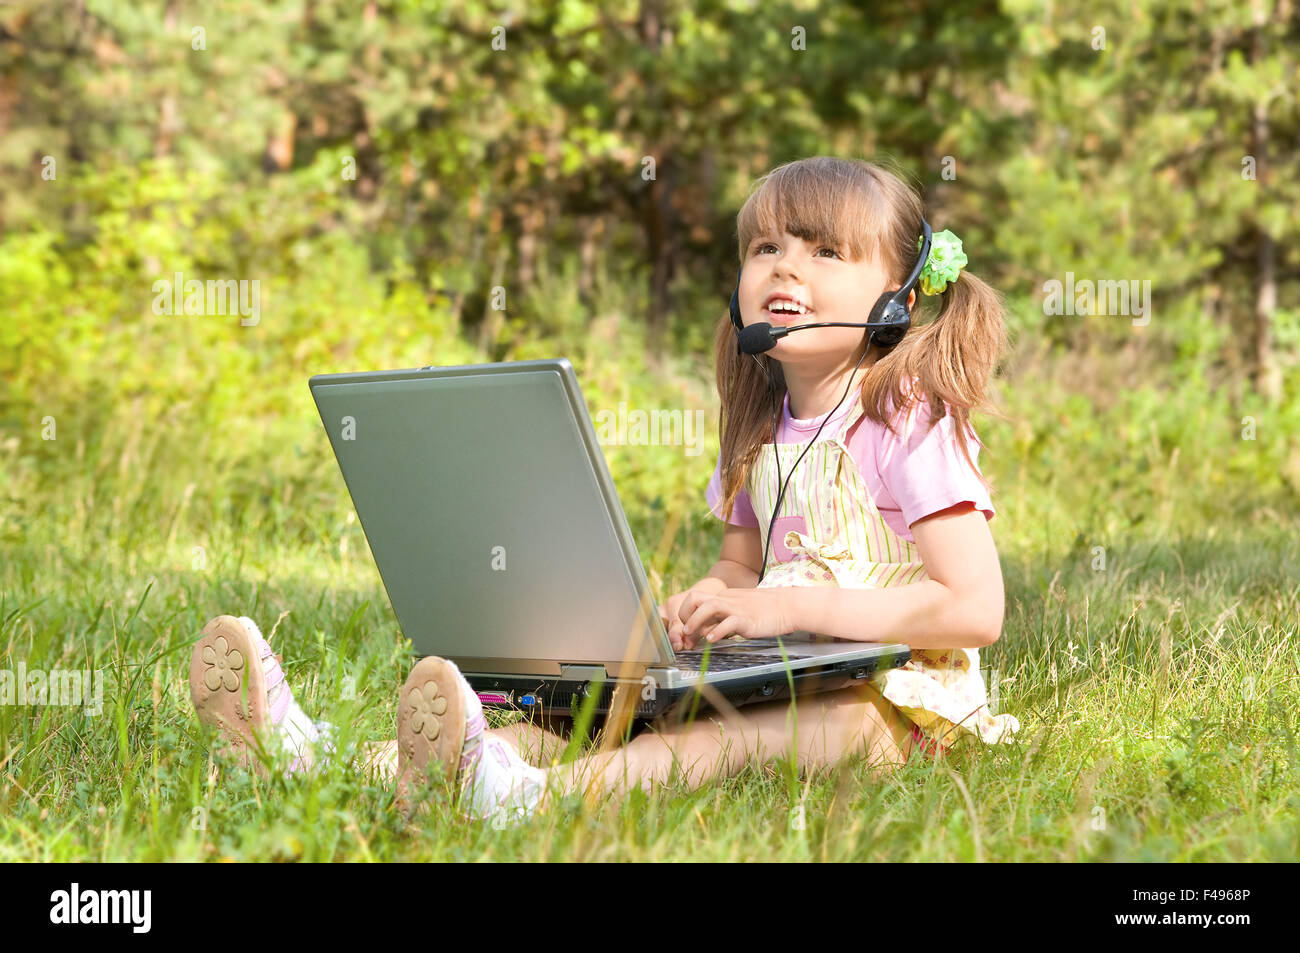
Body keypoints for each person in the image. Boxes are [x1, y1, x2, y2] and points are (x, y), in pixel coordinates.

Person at [188, 155, 1021, 822]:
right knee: (592, 706)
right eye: (765, 247)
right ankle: (325, 757)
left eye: (823, 250)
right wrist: (710, 605)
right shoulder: (763, 429)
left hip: (899, 705)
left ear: (896, 300)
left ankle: (530, 799)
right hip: (788, 661)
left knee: (756, 733)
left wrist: (787, 609)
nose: (784, 265)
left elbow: (971, 607)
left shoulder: (908, 419)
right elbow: (741, 571)